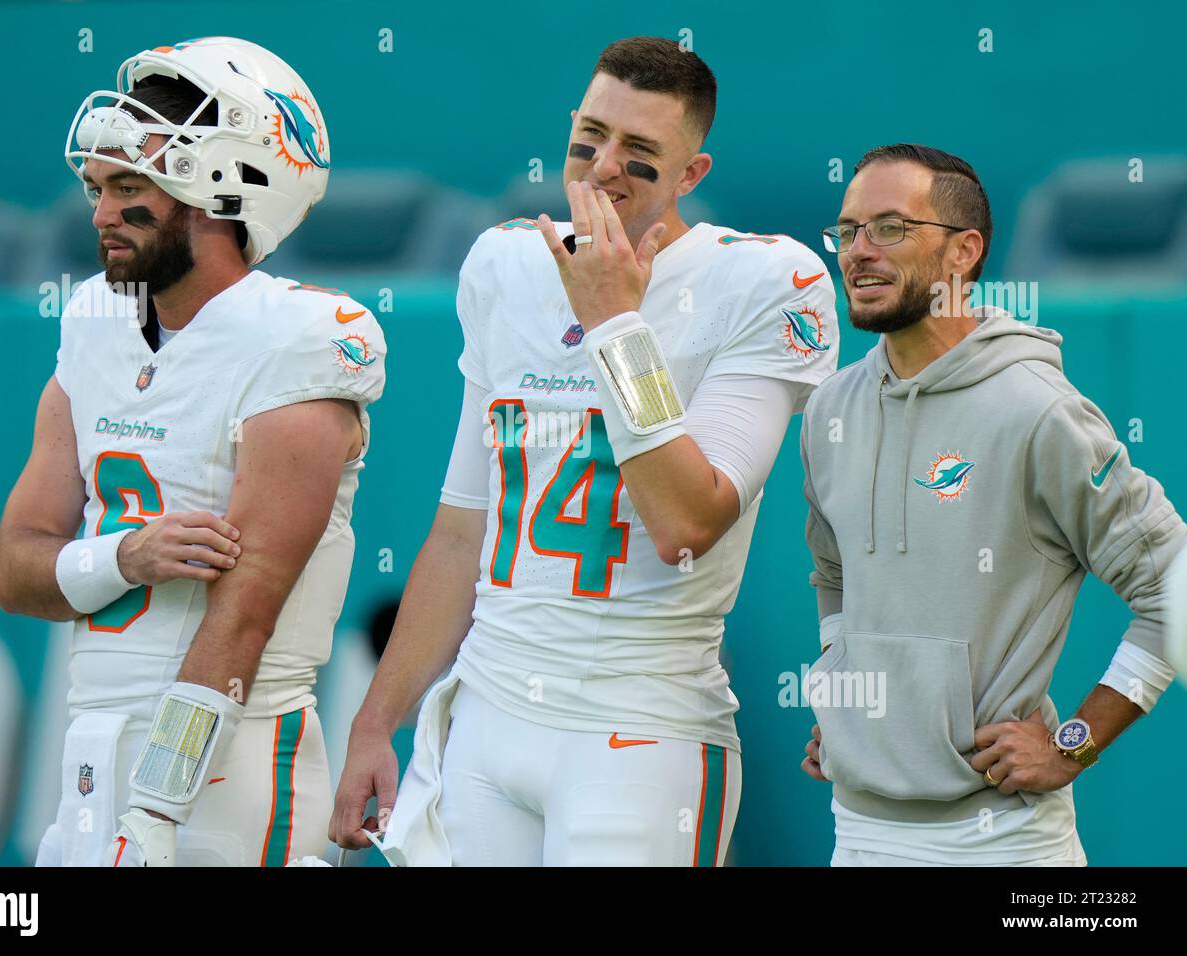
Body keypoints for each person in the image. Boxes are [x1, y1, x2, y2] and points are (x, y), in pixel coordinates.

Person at [330, 35, 837, 866]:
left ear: (690, 175)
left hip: (636, 728)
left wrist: (614, 325)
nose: (603, 166)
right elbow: (463, 530)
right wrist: (376, 722)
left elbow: (685, 521)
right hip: (487, 714)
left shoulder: (763, 279)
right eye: (591, 134)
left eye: (640, 151)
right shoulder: (504, 263)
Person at [0, 37, 386, 866]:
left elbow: (245, 610)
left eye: (131, 186)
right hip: (93, 752)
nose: (100, 213)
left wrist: (158, 807)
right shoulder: (94, 320)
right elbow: (16, 569)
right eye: (99, 186)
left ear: (221, 185)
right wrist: (126, 557)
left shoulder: (303, 338)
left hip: (229, 766)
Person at [799, 143, 1185, 865]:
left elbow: (1175, 584)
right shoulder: (828, 410)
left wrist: (1075, 743)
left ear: (963, 252)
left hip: (1004, 845)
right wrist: (850, 698)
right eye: (847, 231)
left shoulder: (1038, 411)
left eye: (889, 228)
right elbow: (835, 577)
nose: (858, 252)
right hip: (856, 834)